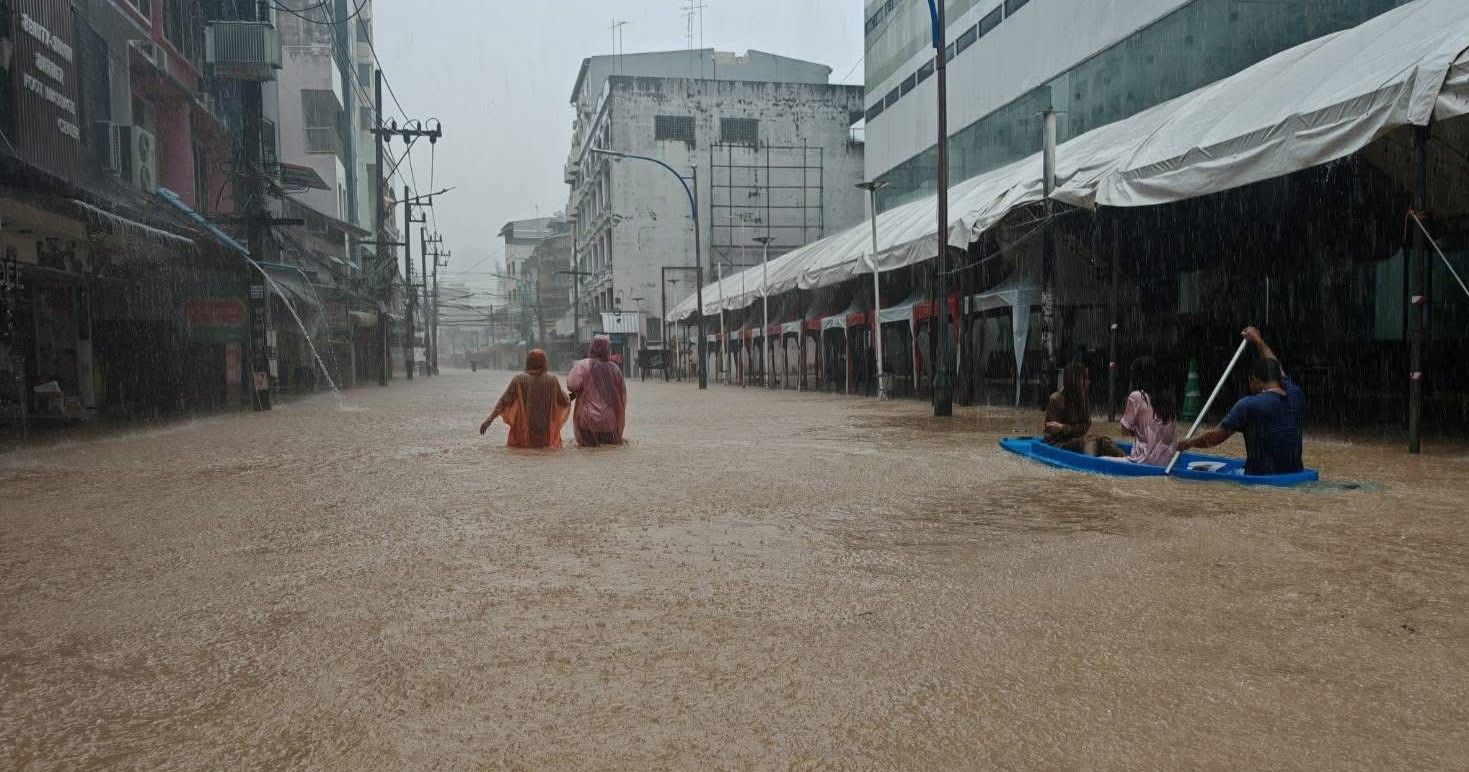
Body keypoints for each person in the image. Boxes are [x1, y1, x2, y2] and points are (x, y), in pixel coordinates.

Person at [1177, 326, 1305, 475]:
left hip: (1260, 476)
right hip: (1295, 473)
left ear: (1255, 379)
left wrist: (1189, 443)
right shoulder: (1296, 395)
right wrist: (1258, 341)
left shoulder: (1249, 405)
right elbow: (1275, 367)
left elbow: (1215, 438)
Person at [478, 349, 570, 449]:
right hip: (545, 433)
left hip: (524, 433)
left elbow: (503, 402)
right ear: (544, 363)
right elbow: (564, 401)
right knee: (544, 456)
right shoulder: (552, 381)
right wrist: (576, 394)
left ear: (528, 362)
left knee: (525, 455)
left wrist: (489, 421)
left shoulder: (519, 380)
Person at [1044, 361, 1125, 457]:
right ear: (1074, 380)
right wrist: (1066, 430)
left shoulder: (1083, 397)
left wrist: (1064, 428)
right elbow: (1051, 435)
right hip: (1058, 445)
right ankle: (1090, 466)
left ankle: (1126, 459)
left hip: (1078, 439)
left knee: (1102, 440)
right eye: (1085, 378)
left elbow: (1085, 425)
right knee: (1090, 439)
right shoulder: (1056, 399)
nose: (1088, 382)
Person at [567, 335, 628, 447]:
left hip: (586, 424)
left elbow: (572, 387)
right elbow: (622, 396)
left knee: (587, 452)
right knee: (609, 452)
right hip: (610, 425)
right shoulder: (615, 369)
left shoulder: (582, 365)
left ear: (591, 348)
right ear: (608, 350)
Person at [1117, 356, 1178, 465]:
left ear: (1136, 377)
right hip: (1168, 464)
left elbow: (1124, 431)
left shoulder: (1136, 396)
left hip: (1142, 462)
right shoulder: (1168, 399)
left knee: (1101, 459)